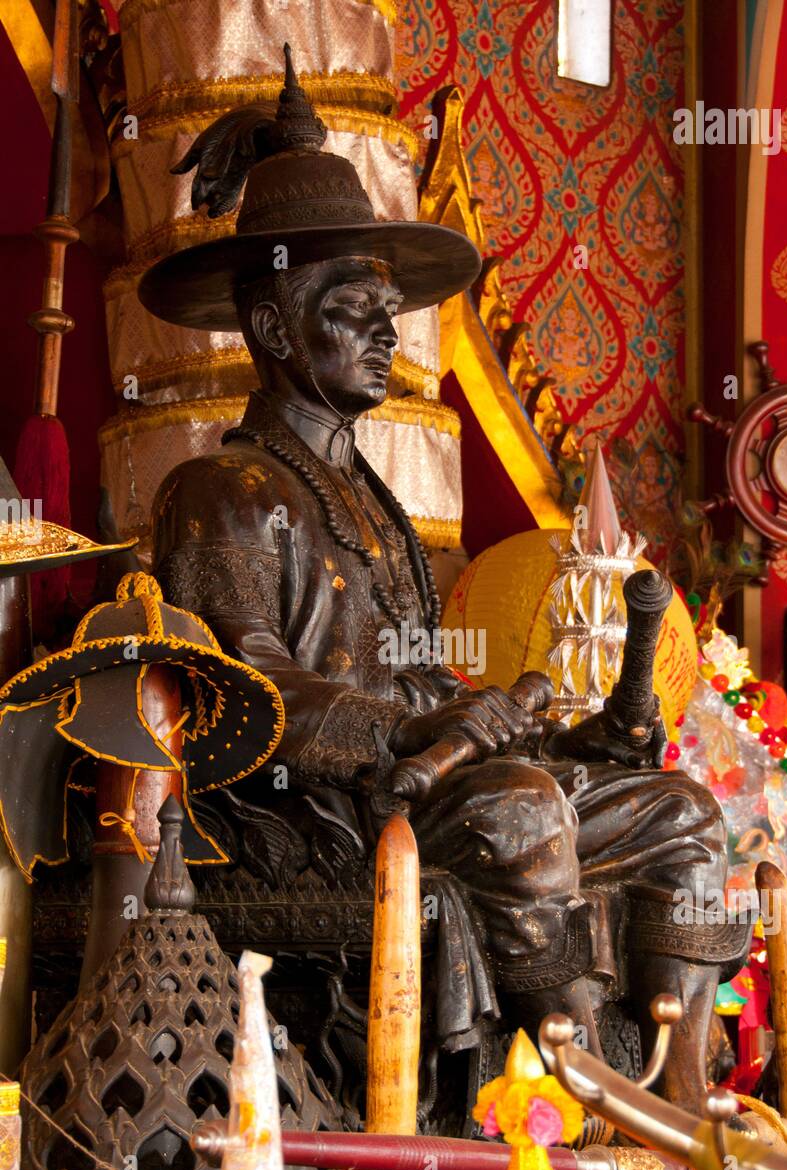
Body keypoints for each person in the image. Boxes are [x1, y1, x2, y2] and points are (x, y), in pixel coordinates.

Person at [142, 48, 746, 1113]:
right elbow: (253, 695)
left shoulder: (376, 504)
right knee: (517, 817)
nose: (385, 330)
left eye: (385, 306)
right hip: (322, 808)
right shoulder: (218, 489)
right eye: (347, 307)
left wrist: (546, 730)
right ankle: (574, 1095)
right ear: (274, 329)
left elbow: (427, 682)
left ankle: (679, 1096)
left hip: (435, 779)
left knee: (679, 812)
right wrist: (429, 731)